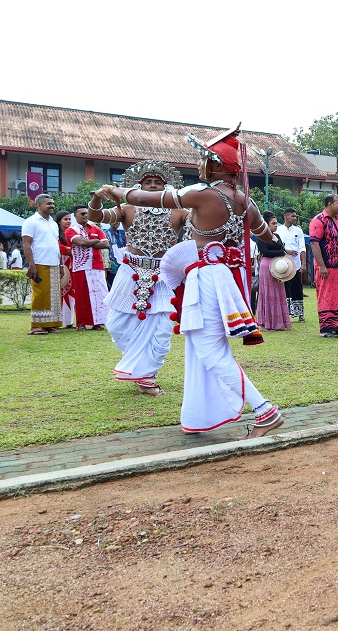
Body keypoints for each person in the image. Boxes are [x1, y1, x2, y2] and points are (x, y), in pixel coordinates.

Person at [102, 124, 283, 438]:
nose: (198, 165)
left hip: (206, 279)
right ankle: (202, 416)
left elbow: (149, 197)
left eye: (203, 159)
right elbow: (265, 235)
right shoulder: (245, 201)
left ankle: (264, 411)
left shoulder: (201, 194)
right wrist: (279, 247)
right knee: (201, 349)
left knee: (210, 350)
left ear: (215, 165)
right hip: (226, 277)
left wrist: (116, 192)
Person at [89, 160, 188, 395]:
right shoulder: (127, 208)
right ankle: (138, 364)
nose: (152, 185)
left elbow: (202, 225)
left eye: (157, 182)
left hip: (163, 275)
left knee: (162, 329)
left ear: (167, 186)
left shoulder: (180, 211)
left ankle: (147, 377)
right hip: (130, 272)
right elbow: (97, 215)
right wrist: (97, 196)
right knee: (117, 325)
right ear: (138, 185)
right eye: (147, 182)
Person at [310, 194, 338, 338]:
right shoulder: (318, 220)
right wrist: (321, 266)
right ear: (329, 204)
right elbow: (315, 244)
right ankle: (326, 329)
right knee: (327, 296)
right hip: (327, 266)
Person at [22, 194, 63, 335]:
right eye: (48, 204)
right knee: (40, 294)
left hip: (54, 263)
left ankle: (50, 324)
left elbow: (56, 245)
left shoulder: (53, 223)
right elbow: (26, 244)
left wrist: (61, 265)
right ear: (38, 205)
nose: (52, 206)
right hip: (39, 262)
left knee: (52, 296)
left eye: (52, 203)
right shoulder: (31, 221)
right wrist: (31, 265)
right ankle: (36, 326)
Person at [65, 205, 110, 330]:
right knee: (82, 296)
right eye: (82, 214)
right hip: (81, 267)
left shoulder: (95, 228)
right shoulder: (71, 230)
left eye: (86, 213)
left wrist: (88, 241)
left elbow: (106, 244)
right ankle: (82, 323)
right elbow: (81, 243)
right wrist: (95, 241)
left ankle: (97, 323)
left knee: (100, 295)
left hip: (97, 266)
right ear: (75, 216)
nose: (85, 215)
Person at [256, 212, 292, 331]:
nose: (275, 225)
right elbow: (265, 252)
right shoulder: (261, 237)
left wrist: (278, 245)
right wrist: (280, 252)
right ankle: (266, 322)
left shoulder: (276, 236)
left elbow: (282, 247)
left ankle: (278, 322)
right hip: (267, 265)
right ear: (266, 225)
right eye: (273, 223)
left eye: (276, 223)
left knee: (278, 292)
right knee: (267, 293)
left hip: (278, 266)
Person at [276, 208, 306, 322]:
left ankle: (300, 314)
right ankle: (284, 314)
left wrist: (303, 264)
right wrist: (286, 251)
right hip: (281, 265)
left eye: (295, 216)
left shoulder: (298, 231)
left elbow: (302, 247)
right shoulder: (278, 230)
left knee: (297, 289)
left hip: (296, 265)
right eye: (293, 216)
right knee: (283, 289)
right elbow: (277, 247)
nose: (295, 218)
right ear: (286, 217)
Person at [55, 211, 76, 328]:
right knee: (59, 292)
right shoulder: (55, 233)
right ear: (59, 221)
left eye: (69, 219)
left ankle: (68, 321)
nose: (68, 221)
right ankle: (57, 320)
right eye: (65, 219)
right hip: (61, 263)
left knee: (70, 292)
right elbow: (60, 248)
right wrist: (72, 250)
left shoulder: (72, 232)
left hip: (73, 264)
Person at [103, 220, 125, 289]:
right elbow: (104, 250)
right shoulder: (106, 234)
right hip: (112, 265)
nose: (116, 222)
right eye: (114, 220)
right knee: (112, 287)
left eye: (118, 220)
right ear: (109, 222)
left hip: (121, 265)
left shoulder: (121, 234)